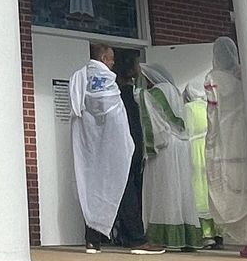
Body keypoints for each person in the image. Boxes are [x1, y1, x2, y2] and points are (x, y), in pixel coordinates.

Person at [67, 42, 133, 249]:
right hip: (110, 144)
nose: (113, 63)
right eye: (112, 58)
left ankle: (92, 239)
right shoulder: (106, 81)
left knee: (91, 187)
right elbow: (113, 114)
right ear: (104, 59)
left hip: (88, 144)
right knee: (116, 185)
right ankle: (133, 236)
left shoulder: (80, 77)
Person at [137, 59, 200, 250]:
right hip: (181, 144)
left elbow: (152, 116)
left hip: (165, 146)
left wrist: (137, 93)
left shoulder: (155, 92)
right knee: (182, 190)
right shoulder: (175, 91)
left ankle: (163, 238)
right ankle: (188, 237)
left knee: (164, 191)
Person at [205, 36, 247, 252]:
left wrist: (210, 143)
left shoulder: (213, 78)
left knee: (232, 190)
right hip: (244, 140)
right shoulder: (243, 75)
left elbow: (212, 115)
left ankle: (244, 240)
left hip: (224, 142)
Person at [111, 50, 147, 248]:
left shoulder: (126, 95)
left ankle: (127, 233)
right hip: (129, 150)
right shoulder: (126, 96)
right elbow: (134, 127)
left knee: (128, 192)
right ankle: (133, 235)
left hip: (128, 149)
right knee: (129, 193)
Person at [184, 78, 219, 247]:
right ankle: (218, 231)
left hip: (194, 150)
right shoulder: (208, 106)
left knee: (198, 191)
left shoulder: (188, 109)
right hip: (209, 148)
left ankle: (205, 233)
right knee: (211, 189)